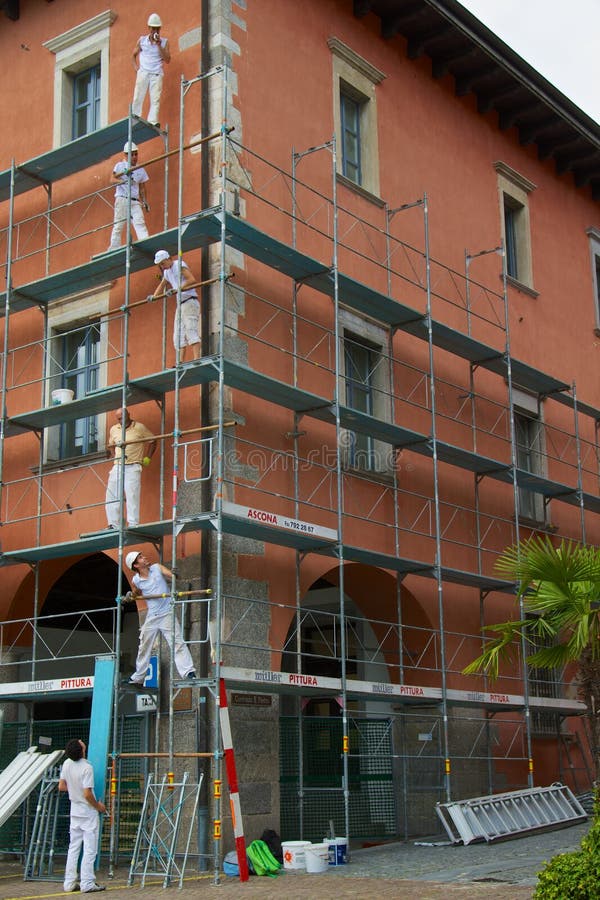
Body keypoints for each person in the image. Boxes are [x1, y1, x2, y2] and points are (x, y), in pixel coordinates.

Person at [125, 550, 196, 683]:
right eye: (140, 557)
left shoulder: (157, 568)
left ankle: (188, 672)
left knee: (177, 642)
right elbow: (136, 592)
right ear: (136, 565)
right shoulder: (136, 580)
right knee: (144, 646)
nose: (144, 557)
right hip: (152, 616)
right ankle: (138, 677)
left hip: (167, 612)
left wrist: (174, 575)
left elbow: (171, 577)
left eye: (142, 555)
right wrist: (131, 595)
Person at [59, 739, 106, 894]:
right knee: (90, 849)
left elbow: (62, 786)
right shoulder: (87, 767)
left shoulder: (67, 764)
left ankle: (69, 882)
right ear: (82, 750)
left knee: (74, 847)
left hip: (75, 810)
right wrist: (99, 806)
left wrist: (74, 790)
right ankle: (87, 882)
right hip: (88, 811)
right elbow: (87, 793)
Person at [105, 407, 156, 529]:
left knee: (132, 494)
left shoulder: (139, 427)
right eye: (118, 419)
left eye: (122, 417)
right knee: (112, 494)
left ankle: (133, 523)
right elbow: (110, 445)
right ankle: (113, 524)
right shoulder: (114, 429)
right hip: (118, 465)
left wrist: (148, 458)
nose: (120, 421)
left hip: (133, 465)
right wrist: (114, 457)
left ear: (128, 415)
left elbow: (153, 441)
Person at [152, 249, 200, 363]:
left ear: (168, 259)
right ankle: (180, 362)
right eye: (160, 265)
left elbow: (192, 279)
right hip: (181, 304)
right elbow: (162, 284)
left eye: (163, 263)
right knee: (178, 334)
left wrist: (177, 289)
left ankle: (197, 358)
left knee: (190, 329)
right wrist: (154, 297)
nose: (162, 266)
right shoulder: (167, 272)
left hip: (190, 301)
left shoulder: (179, 265)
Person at [107, 142, 149, 251]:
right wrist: (124, 182)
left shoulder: (140, 169)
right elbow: (112, 179)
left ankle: (145, 241)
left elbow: (142, 188)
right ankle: (113, 248)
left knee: (139, 221)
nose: (134, 157)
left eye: (136, 154)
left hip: (135, 200)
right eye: (132, 154)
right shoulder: (120, 166)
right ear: (126, 155)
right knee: (119, 224)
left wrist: (145, 201)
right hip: (122, 198)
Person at [132, 13, 170, 127]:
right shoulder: (142, 41)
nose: (155, 31)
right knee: (138, 95)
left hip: (156, 73)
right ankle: (134, 118)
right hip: (144, 72)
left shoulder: (164, 42)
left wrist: (159, 45)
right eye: (153, 28)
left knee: (155, 99)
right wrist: (136, 69)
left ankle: (153, 120)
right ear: (149, 28)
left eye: (157, 28)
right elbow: (133, 55)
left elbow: (167, 59)